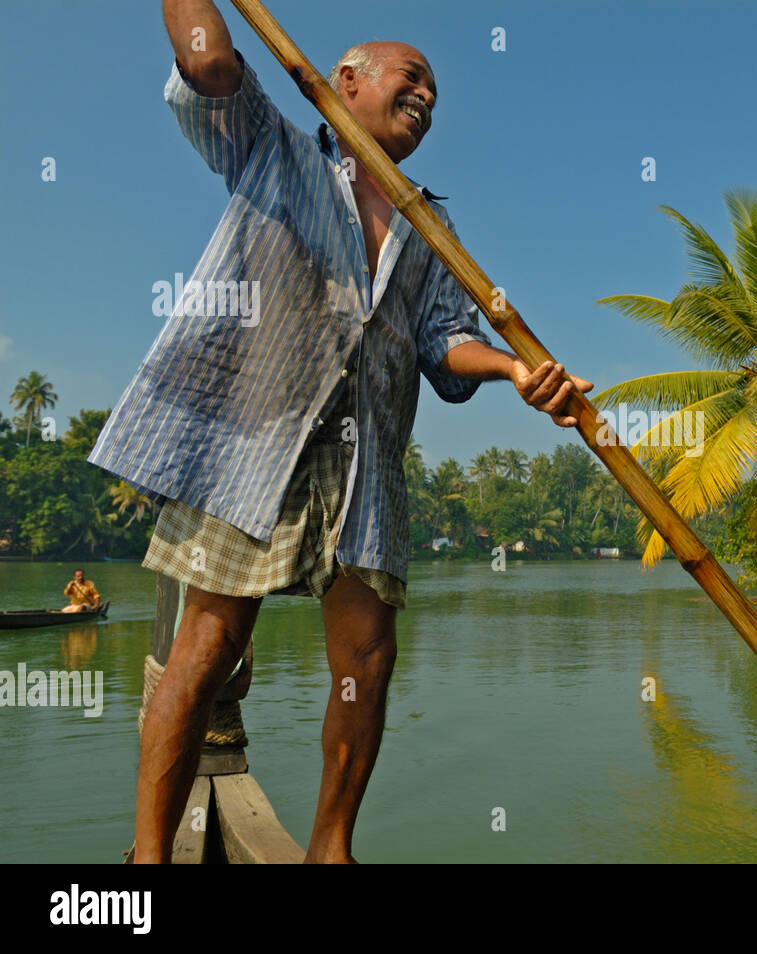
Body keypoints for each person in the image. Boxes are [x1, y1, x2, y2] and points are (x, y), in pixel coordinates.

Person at [88, 0, 592, 863]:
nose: (427, 93)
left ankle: (331, 850)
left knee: (368, 655)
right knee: (206, 646)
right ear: (347, 83)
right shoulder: (278, 149)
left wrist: (513, 371)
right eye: (412, 75)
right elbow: (210, 65)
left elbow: (443, 341)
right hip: (253, 439)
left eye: (435, 89)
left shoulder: (432, 226)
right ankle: (148, 855)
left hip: (368, 464)